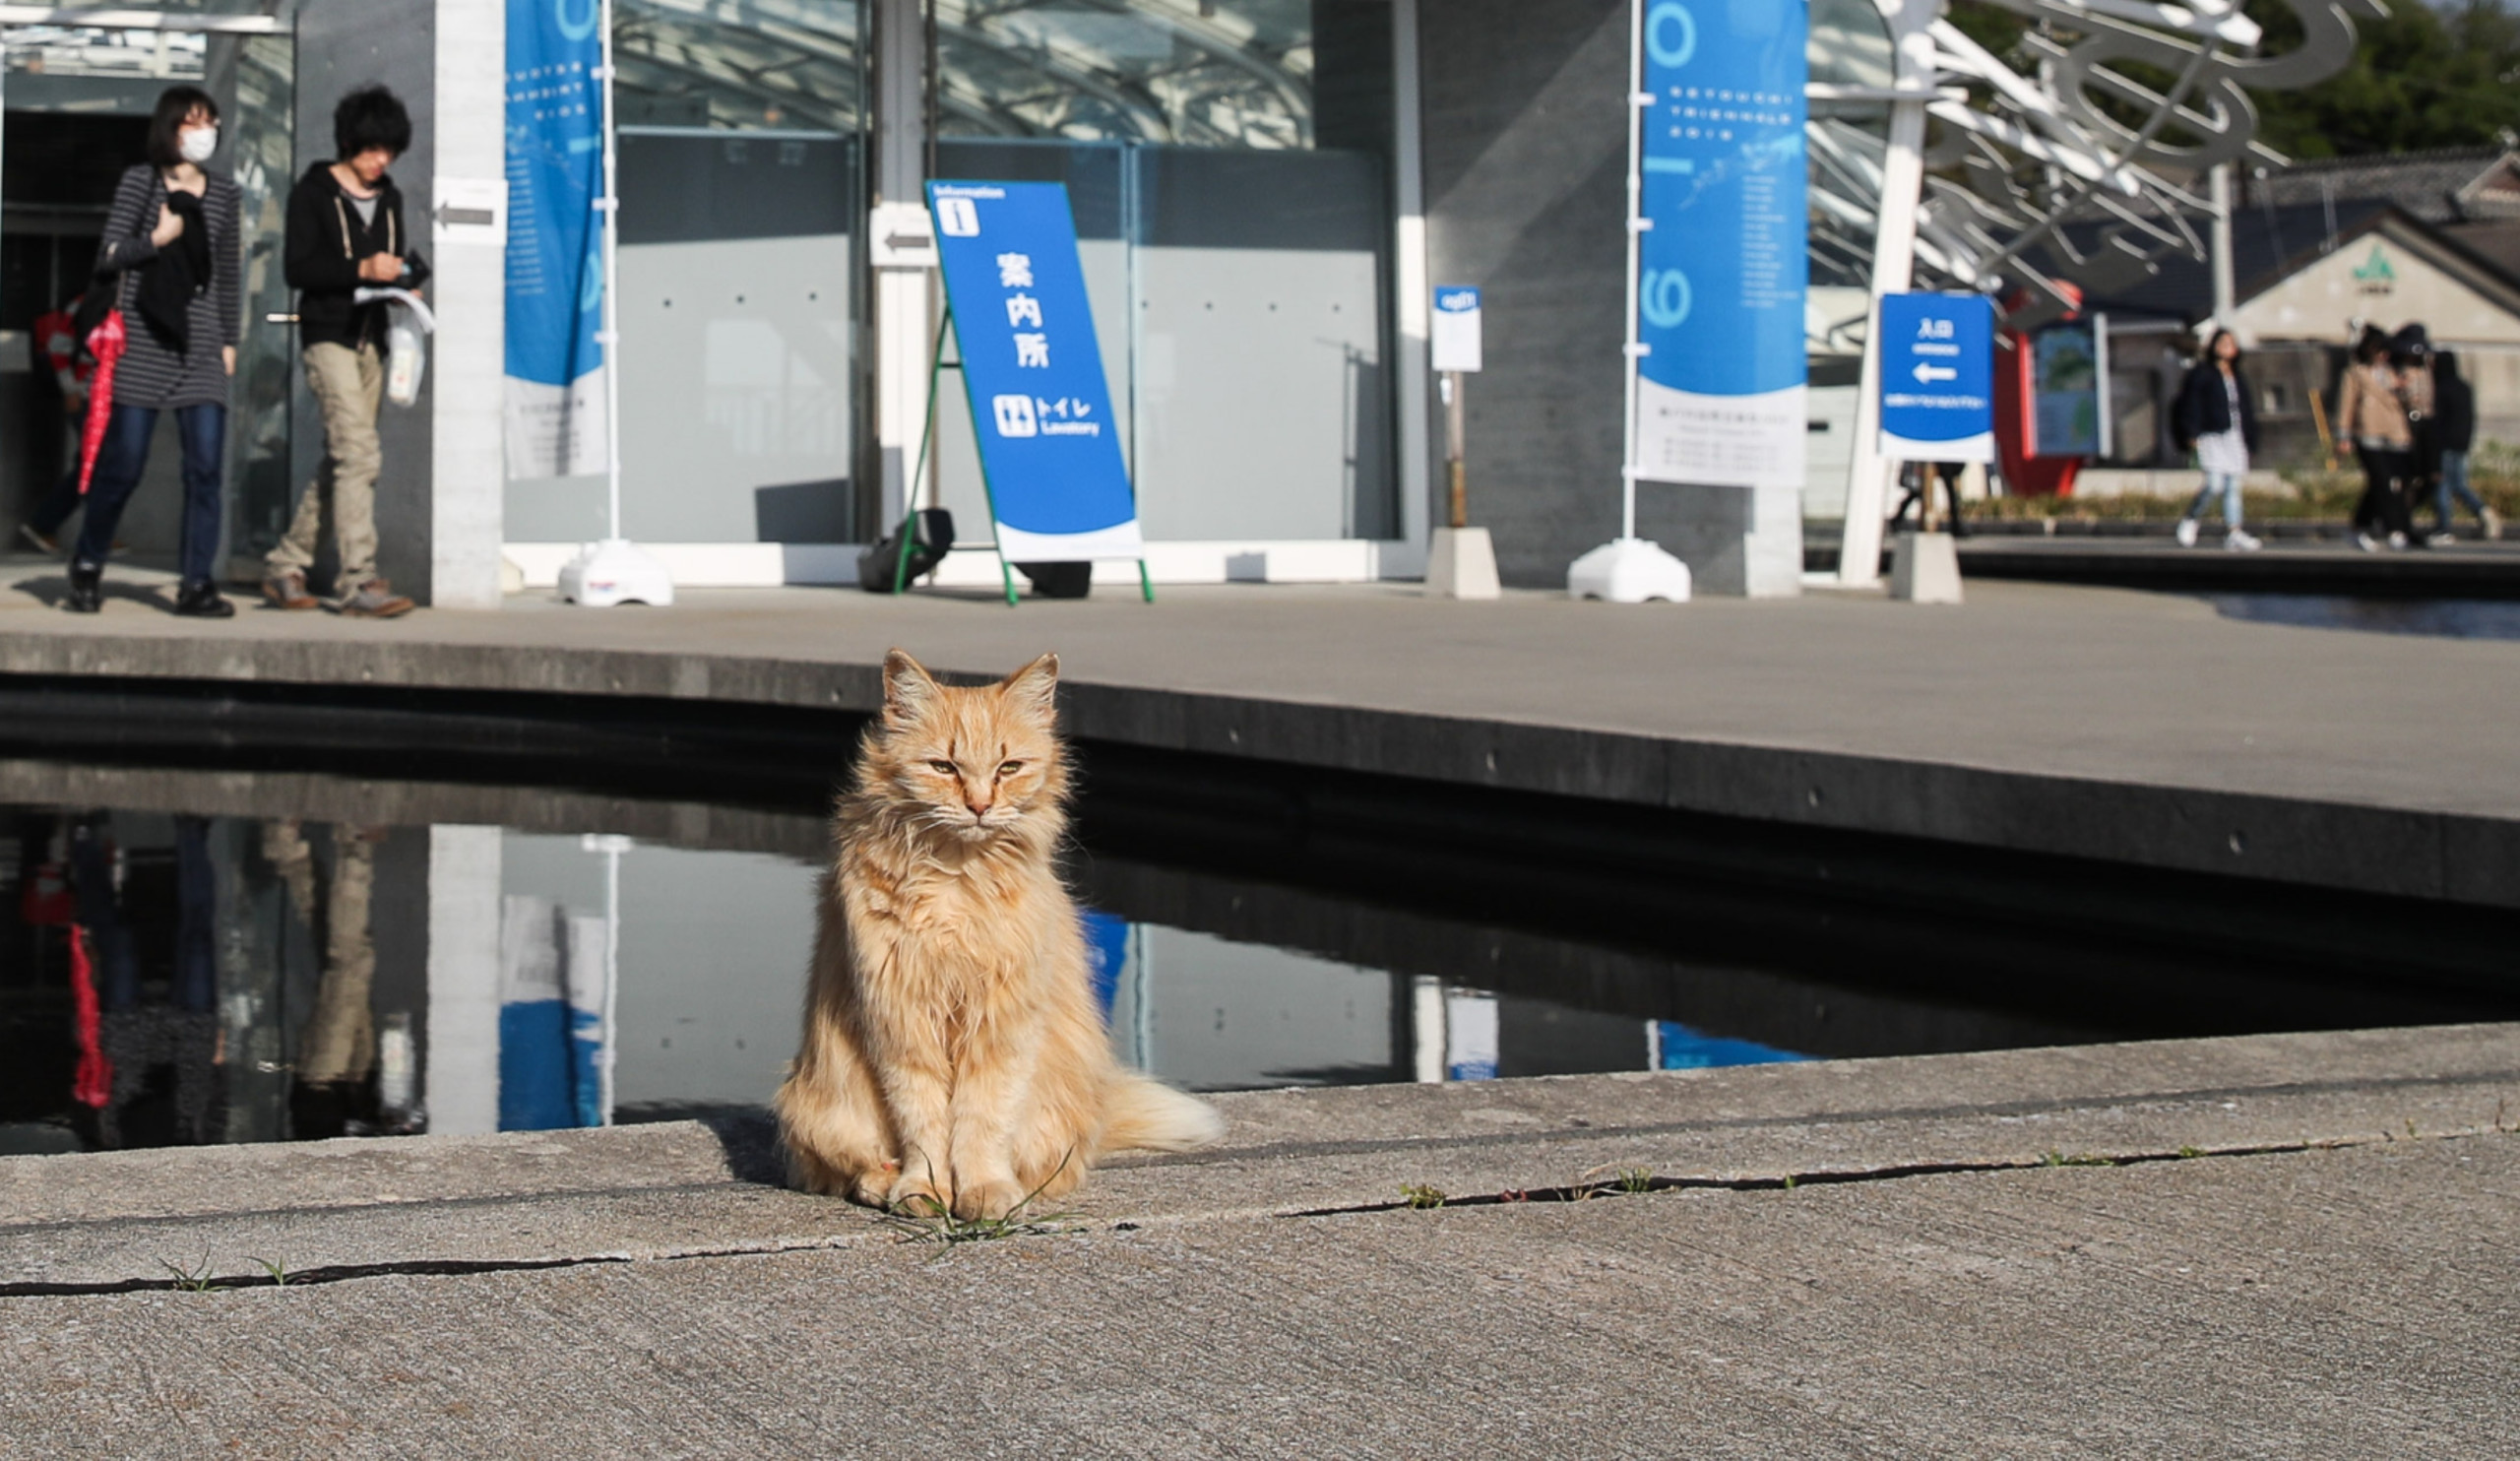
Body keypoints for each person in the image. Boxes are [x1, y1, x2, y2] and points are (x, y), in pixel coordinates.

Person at [62, 87, 241, 615]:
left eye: (209, 121)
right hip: (141, 340)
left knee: (205, 467)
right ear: (169, 129)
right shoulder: (139, 182)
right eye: (191, 122)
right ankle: (89, 564)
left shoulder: (226, 193)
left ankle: (196, 583)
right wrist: (157, 240)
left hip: (203, 343)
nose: (202, 131)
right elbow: (110, 255)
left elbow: (227, 273)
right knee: (125, 465)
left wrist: (230, 340)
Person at [261, 86, 427, 618]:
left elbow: (395, 258)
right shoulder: (312, 193)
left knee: (345, 457)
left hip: (372, 338)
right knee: (359, 453)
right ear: (350, 143)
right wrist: (360, 269)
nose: (382, 161)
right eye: (373, 149)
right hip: (327, 334)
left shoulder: (392, 197)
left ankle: (286, 563)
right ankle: (357, 579)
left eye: (390, 151)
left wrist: (405, 279)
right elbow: (298, 270)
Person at [2170, 329, 2263, 551]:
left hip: (2234, 436)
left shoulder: (2237, 376)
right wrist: (2190, 432)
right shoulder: (2202, 373)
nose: (2226, 346)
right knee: (2214, 484)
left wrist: (2251, 439)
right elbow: (2190, 403)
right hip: (2211, 435)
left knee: (2233, 486)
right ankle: (2191, 519)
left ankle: (2234, 531)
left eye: (2230, 343)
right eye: (2221, 342)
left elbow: (2246, 410)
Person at [16, 293, 93, 555]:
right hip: (85, 395)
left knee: (92, 464)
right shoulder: (87, 302)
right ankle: (92, 533)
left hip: (110, 398)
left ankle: (44, 523)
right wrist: (70, 388)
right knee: (97, 463)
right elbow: (58, 347)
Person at [2336, 324, 2416, 552]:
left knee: (2391, 483)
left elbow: (2410, 403)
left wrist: (2403, 387)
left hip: (2395, 433)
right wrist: (2344, 435)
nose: (2382, 355)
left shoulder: (2393, 371)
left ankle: (2360, 526)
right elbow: (2346, 405)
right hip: (2367, 432)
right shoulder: (2355, 373)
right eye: (2378, 350)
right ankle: (2394, 529)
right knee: (2381, 481)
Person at [2426, 349, 2497, 543]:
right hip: (2462, 444)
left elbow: (2438, 421)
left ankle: (2444, 528)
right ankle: (2483, 511)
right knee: (2458, 484)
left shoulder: (2442, 388)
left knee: (2443, 486)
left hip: (2445, 445)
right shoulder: (2463, 387)